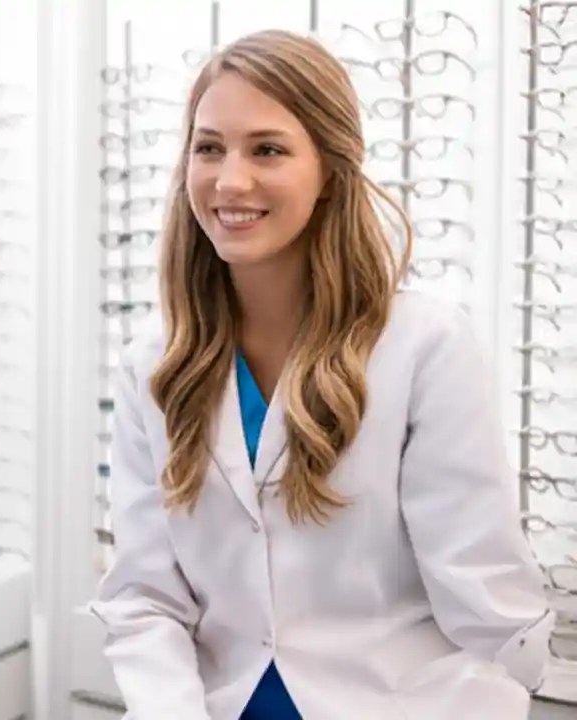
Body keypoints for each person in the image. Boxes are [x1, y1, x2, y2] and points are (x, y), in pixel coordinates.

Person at [90, 29, 553, 720]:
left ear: (331, 172)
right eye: (209, 146)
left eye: (268, 149)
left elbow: (487, 607)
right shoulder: (155, 363)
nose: (230, 179)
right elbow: (145, 597)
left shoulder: (424, 345)